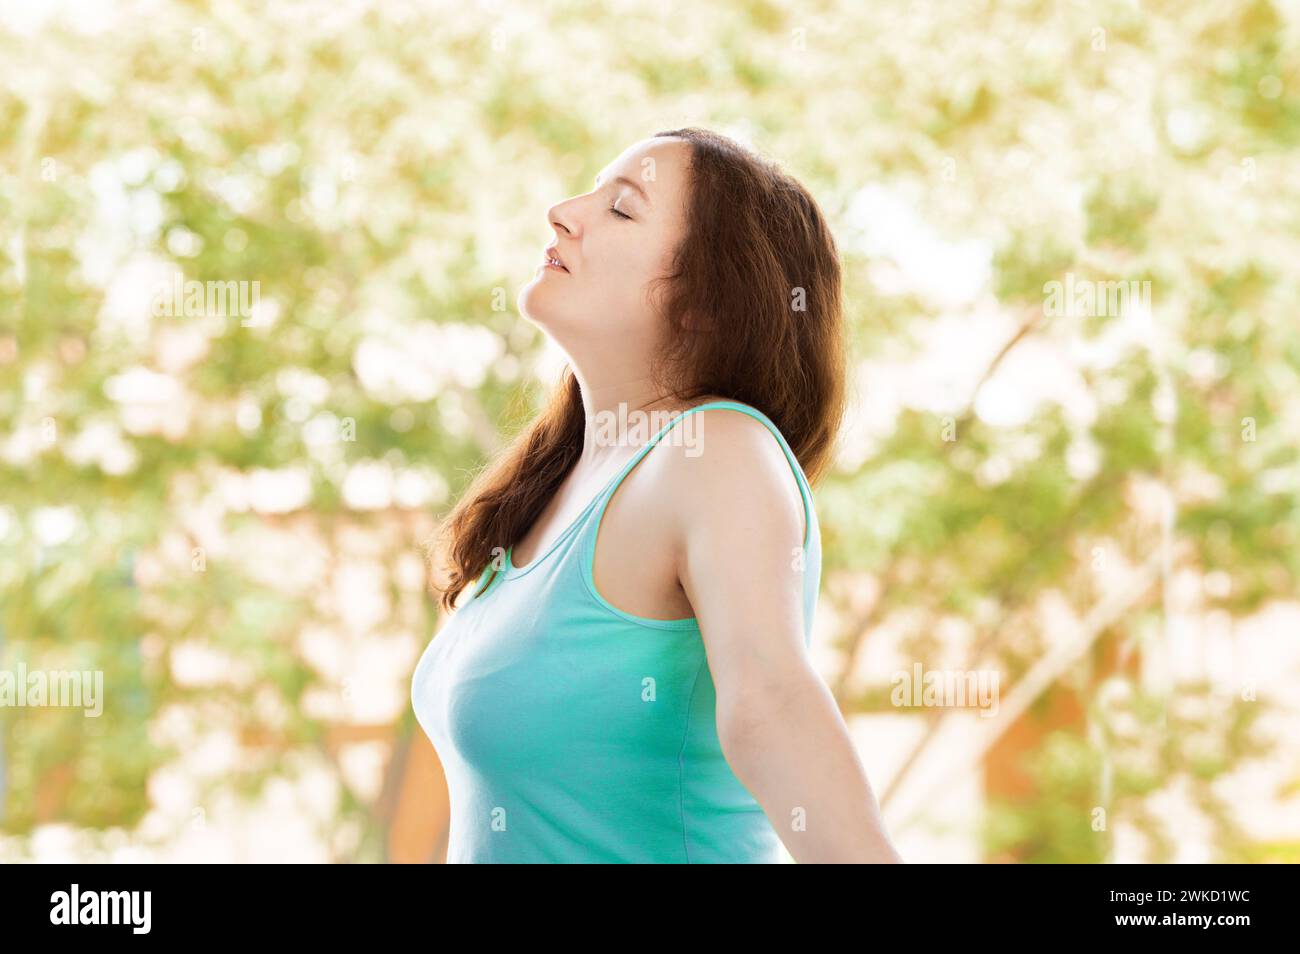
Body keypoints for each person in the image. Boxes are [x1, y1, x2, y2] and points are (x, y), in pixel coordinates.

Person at [412, 127, 902, 863]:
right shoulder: (559, 487)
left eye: (623, 209)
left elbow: (771, 707)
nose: (563, 212)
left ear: (705, 301)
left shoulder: (718, 453)